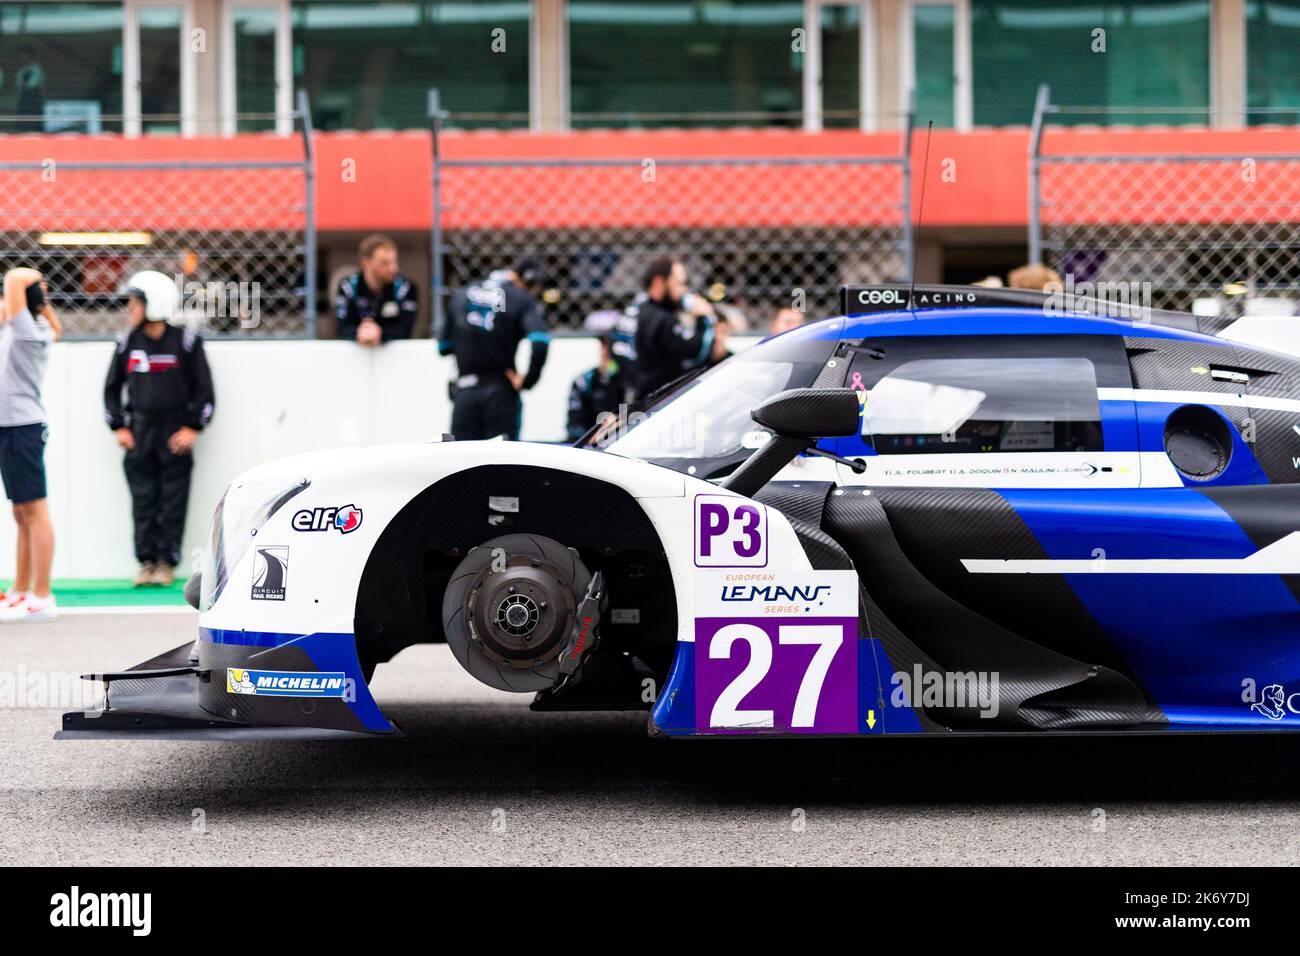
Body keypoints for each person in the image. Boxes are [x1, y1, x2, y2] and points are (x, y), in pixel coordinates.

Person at [104, 270, 215, 587]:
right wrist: (119, 427)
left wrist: (193, 428)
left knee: (172, 500)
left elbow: (205, 392)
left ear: (155, 303)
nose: (130, 308)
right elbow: (111, 390)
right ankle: (146, 562)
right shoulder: (126, 342)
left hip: (174, 434)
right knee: (143, 501)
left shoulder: (187, 341)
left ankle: (166, 562)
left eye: (135, 302)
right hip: (140, 432)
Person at [0, 267, 59, 622]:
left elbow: (15, 279)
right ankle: (22, 591)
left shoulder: (28, 332)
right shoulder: (22, 326)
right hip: (10, 427)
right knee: (21, 513)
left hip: (22, 428)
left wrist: (34, 277)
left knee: (35, 512)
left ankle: (43, 594)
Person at [441, 258, 550, 441]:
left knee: (462, 464)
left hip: (465, 393)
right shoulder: (519, 298)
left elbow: (443, 347)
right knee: (503, 465)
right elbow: (540, 342)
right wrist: (528, 381)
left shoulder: (462, 293)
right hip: (501, 392)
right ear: (529, 282)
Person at [626, 257, 715, 400]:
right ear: (659, 282)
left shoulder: (634, 310)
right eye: (680, 283)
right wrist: (704, 319)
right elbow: (695, 355)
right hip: (658, 402)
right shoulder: (662, 319)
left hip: (637, 401)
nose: (684, 290)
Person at [335, 234, 418, 346]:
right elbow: (342, 329)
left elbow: (405, 330)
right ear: (366, 263)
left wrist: (380, 333)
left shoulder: (406, 287)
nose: (393, 268)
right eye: (385, 263)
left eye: (394, 262)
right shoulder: (348, 286)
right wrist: (359, 333)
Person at [566, 317, 627, 441]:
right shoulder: (584, 382)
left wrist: (619, 424)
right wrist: (595, 436)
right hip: (590, 445)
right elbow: (574, 428)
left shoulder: (630, 382)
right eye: (606, 347)